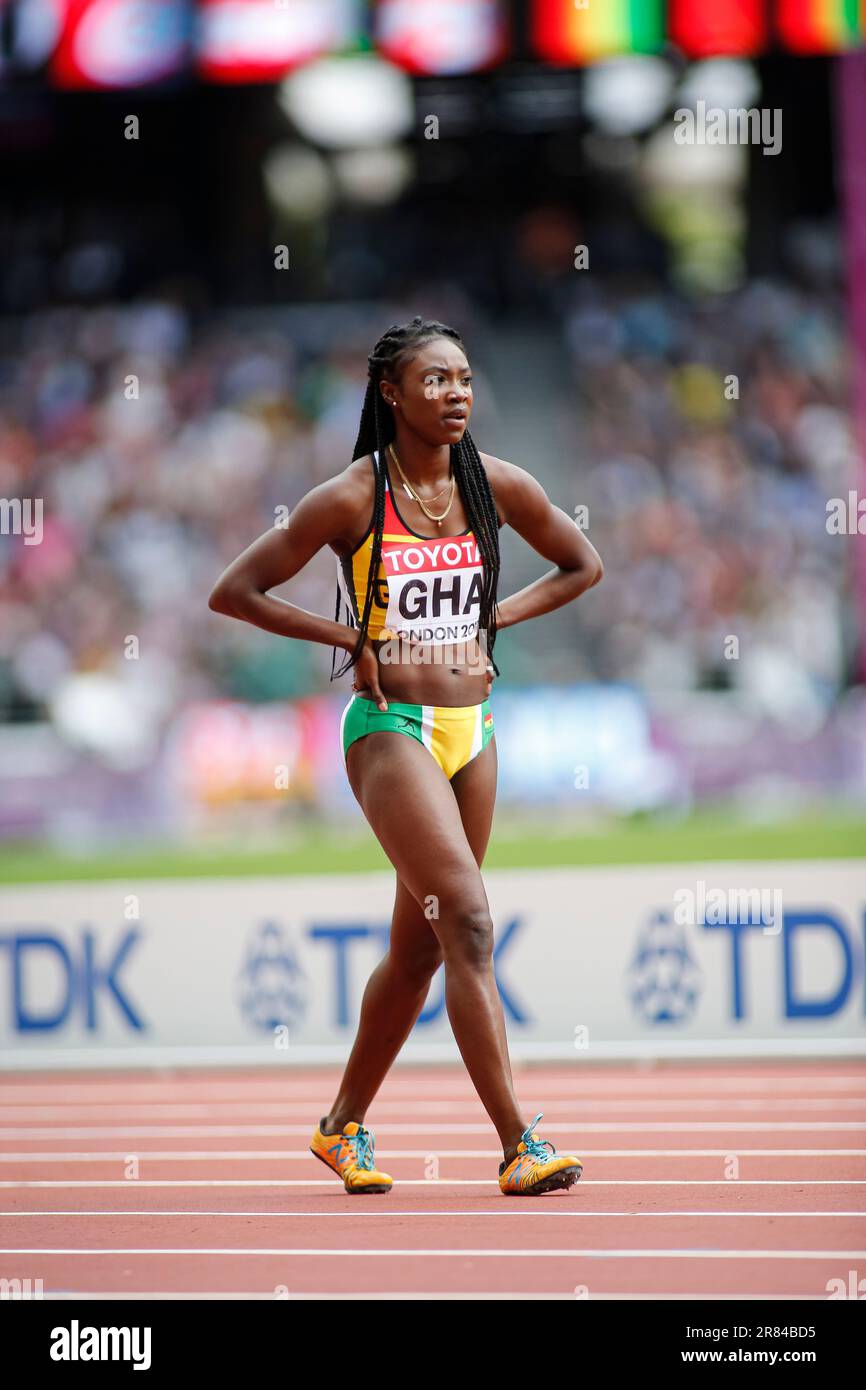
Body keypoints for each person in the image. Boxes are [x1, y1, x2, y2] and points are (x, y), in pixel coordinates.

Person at [209, 316, 603, 1195]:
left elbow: (583, 566)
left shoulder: (498, 485)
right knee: (465, 918)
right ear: (391, 393)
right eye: (435, 380)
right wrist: (348, 637)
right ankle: (517, 1145)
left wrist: (497, 617)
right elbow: (233, 591)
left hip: (475, 730)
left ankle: (341, 1126)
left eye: (464, 378)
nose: (456, 393)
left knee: (423, 949)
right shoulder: (350, 498)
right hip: (390, 731)